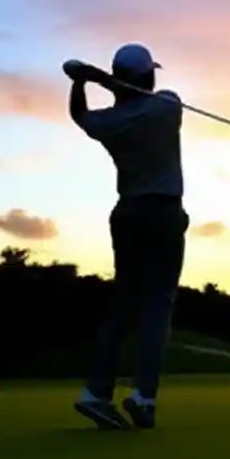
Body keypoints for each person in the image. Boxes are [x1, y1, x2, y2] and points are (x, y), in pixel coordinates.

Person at [64, 43, 189, 430]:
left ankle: (96, 393)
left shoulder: (108, 123)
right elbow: (147, 96)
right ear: (150, 76)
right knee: (157, 307)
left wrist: (84, 81)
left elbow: (79, 115)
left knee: (123, 304)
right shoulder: (167, 107)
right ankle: (143, 397)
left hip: (127, 213)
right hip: (164, 213)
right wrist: (104, 81)